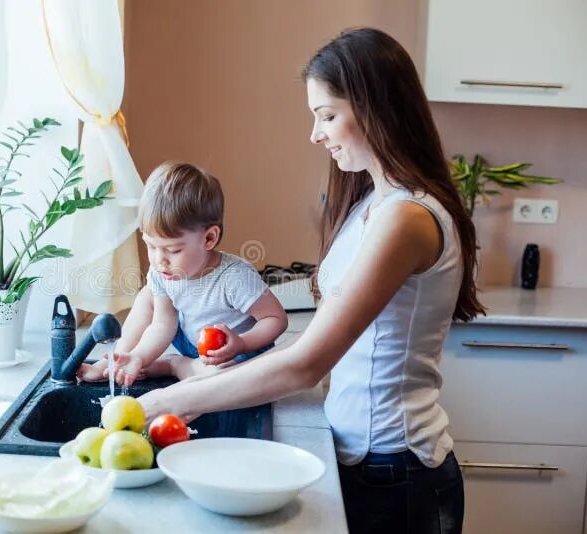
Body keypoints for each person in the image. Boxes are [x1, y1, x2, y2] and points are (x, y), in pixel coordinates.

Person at [138, 28, 484, 534]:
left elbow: (308, 364)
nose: (315, 134)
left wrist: (169, 400)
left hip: (399, 471)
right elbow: (313, 342)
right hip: (368, 463)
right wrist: (195, 371)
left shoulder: (407, 218)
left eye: (326, 116)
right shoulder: (373, 204)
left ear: (374, 109)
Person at [77, 161, 288, 385]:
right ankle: (118, 360)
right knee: (148, 295)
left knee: (224, 380)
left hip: (234, 352)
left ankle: (174, 365)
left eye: (173, 250)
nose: (159, 260)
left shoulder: (234, 277)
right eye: (151, 246)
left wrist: (242, 343)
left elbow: (276, 319)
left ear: (209, 238)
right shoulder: (162, 271)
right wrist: (138, 355)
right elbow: (162, 324)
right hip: (191, 341)